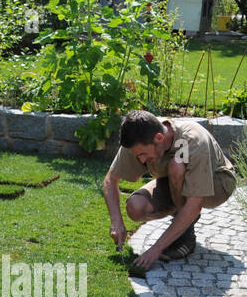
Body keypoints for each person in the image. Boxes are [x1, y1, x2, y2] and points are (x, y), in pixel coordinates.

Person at [102, 110, 238, 270]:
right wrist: (116, 222)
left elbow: (195, 204)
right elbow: (110, 181)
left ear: (159, 138)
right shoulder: (138, 136)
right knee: (136, 207)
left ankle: (186, 233)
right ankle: (182, 225)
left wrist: (155, 249)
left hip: (218, 184)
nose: (141, 160)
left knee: (177, 166)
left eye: (143, 154)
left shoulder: (193, 140)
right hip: (175, 180)